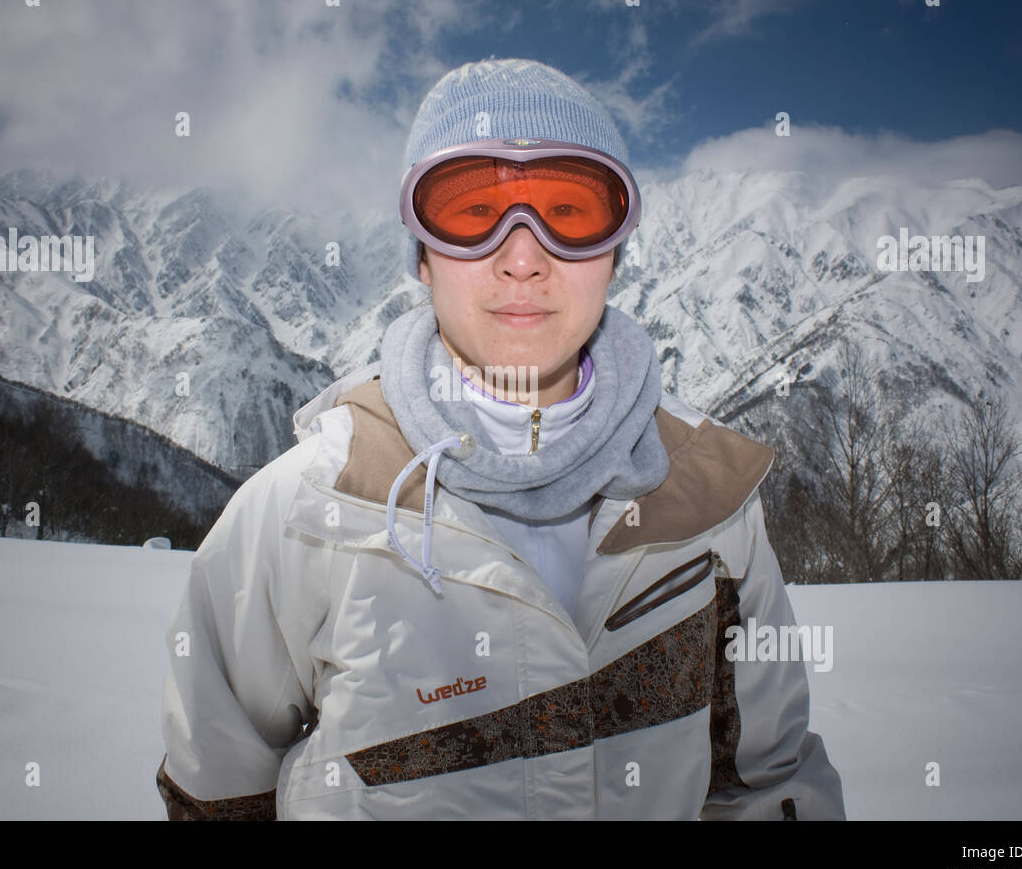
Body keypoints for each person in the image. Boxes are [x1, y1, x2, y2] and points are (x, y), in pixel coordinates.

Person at [156, 58, 846, 820]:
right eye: (472, 210)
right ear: (421, 256)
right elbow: (217, 793)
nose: (524, 256)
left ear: (614, 254)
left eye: (571, 210)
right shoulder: (307, 511)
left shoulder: (707, 503)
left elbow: (768, 783)